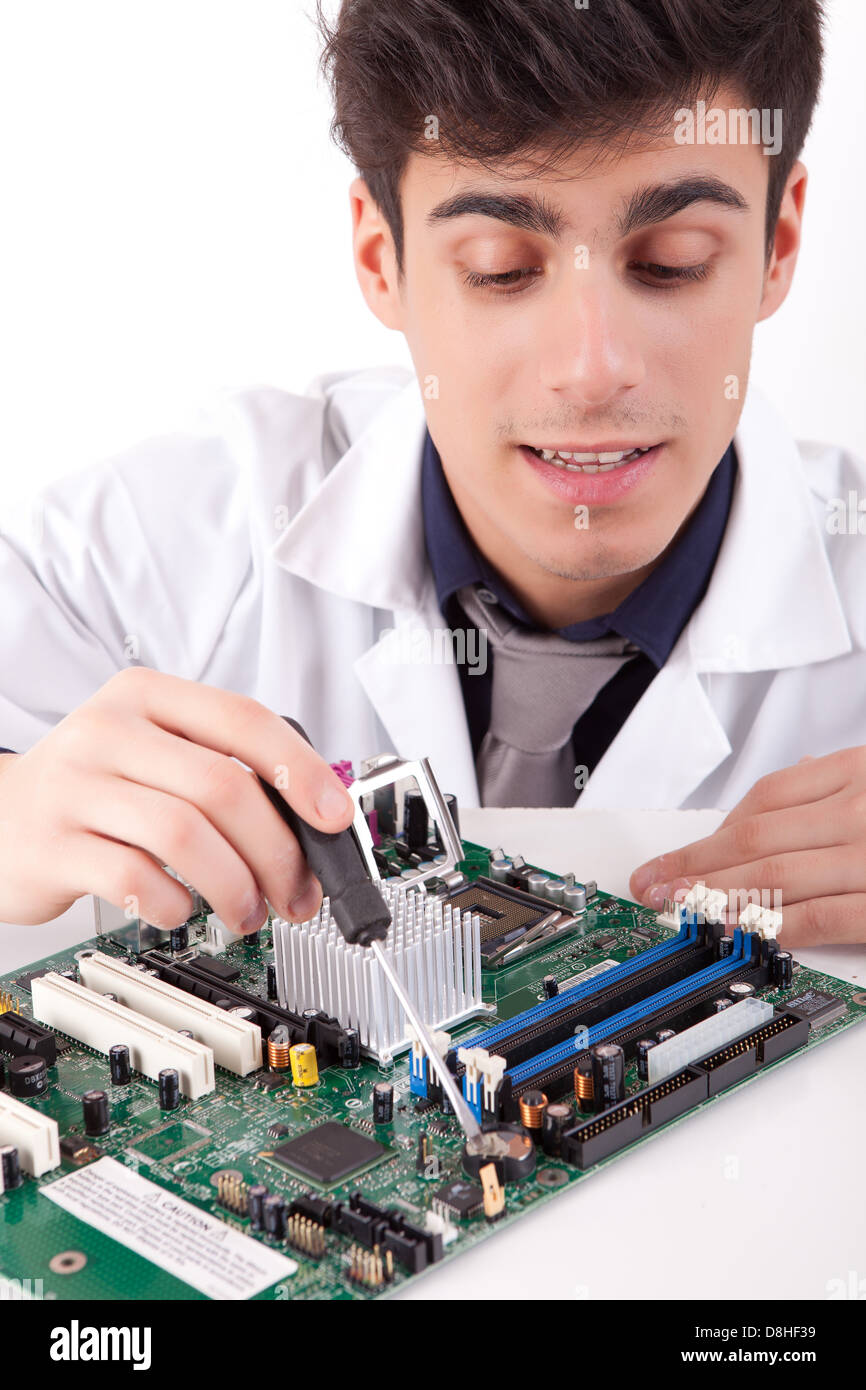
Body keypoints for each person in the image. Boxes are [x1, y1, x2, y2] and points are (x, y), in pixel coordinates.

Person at [1, 0, 864, 947]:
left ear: (780, 245)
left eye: (670, 263)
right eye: (500, 269)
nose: (589, 368)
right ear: (384, 260)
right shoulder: (172, 533)